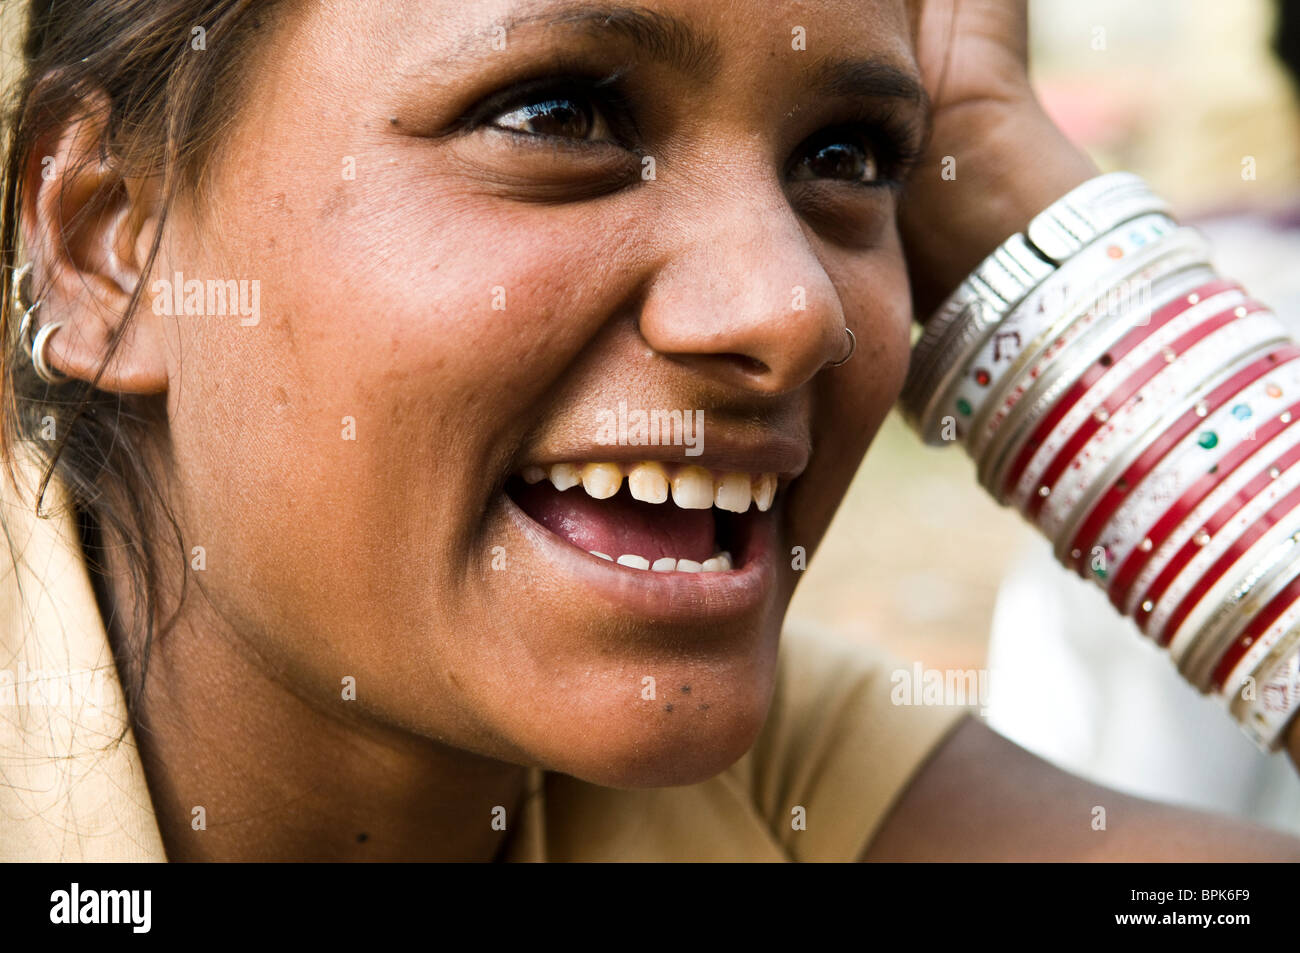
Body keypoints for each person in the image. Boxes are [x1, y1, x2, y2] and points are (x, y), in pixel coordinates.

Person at [1, 0, 1297, 862]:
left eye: (848, 155)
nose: (789, 308)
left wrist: (1006, 187)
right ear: (105, 240)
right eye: (556, 115)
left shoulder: (790, 787)